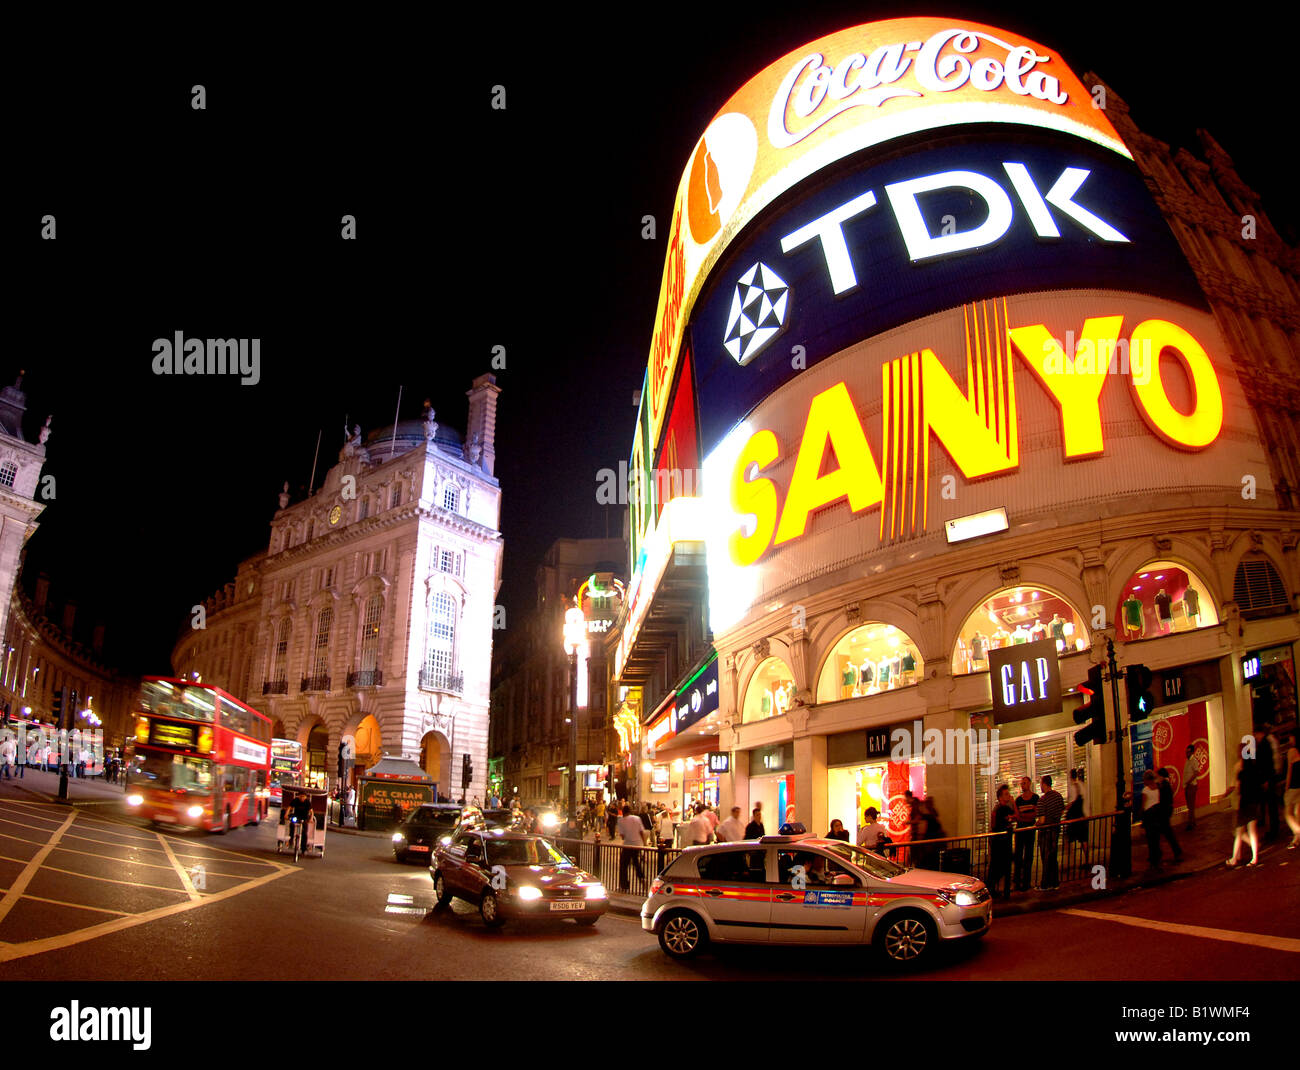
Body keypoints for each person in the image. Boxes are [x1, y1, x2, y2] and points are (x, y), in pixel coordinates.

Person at [1225, 751, 1263, 867]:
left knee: (1239, 832)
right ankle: (1254, 858)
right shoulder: (1256, 772)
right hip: (1254, 803)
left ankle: (1234, 859)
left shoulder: (1241, 773)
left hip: (1244, 804)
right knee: (1252, 831)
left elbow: (1238, 789)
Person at [1035, 774, 1065, 889]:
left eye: (1041, 783)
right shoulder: (1058, 796)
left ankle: (1045, 883)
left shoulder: (1042, 800)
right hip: (1055, 829)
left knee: (1046, 858)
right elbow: (1062, 810)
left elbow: (1042, 820)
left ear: (1044, 784)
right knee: (1053, 856)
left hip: (1046, 831)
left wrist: (1037, 823)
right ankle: (1055, 882)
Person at [987, 785, 1015, 900]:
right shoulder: (1002, 809)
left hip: (999, 842)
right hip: (1001, 843)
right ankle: (996, 890)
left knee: (998, 867)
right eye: (1006, 794)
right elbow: (1015, 816)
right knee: (1001, 867)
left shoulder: (999, 809)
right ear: (1000, 797)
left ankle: (993, 889)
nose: (1008, 796)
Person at [1012, 777, 1039, 891]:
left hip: (1029, 830)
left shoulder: (1035, 798)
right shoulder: (1018, 800)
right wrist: (1025, 817)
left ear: (1029, 784)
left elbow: (1035, 813)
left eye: (1025, 783)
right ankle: (1017, 880)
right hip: (1021, 830)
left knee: (1028, 855)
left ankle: (1026, 881)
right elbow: (1017, 815)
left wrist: (1024, 817)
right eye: (1021, 784)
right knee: (1018, 855)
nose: (1023, 785)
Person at [617, 805, 648, 891]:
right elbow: (642, 832)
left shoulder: (621, 821)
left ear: (623, 812)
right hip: (637, 844)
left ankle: (624, 885)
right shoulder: (637, 818)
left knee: (623, 864)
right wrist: (644, 843)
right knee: (636, 863)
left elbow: (622, 836)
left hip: (628, 844)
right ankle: (642, 879)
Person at [1155, 768, 1183, 862]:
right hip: (1165, 811)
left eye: (1158, 776)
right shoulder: (1164, 785)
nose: (1157, 778)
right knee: (1166, 833)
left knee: (1168, 834)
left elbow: (1164, 800)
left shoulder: (1165, 785)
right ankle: (1158, 854)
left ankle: (1176, 852)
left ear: (1162, 776)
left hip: (1164, 812)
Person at [1139, 770, 1165, 871]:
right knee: (1156, 838)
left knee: (1151, 839)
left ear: (1147, 779)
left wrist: (1141, 815)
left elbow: (1143, 804)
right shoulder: (1157, 788)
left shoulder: (1145, 790)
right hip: (1157, 814)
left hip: (1149, 815)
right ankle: (1158, 859)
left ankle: (1153, 860)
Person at [1064, 768, 1088, 853]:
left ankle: (1070, 857)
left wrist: (1064, 808)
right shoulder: (1082, 785)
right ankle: (1087, 859)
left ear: (1070, 776)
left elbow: (1071, 802)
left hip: (1074, 816)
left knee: (1069, 837)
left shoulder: (1072, 787)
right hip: (1083, 815)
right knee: (1083, 838)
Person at [1283, 735, 1300, 850]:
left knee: (1288, 813)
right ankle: (1296, 839)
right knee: (1297, 813)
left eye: (1291, 737)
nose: (1289, 740)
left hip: (1294, 785)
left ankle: (1298, 833)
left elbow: (1289, 771)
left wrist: (1286, 787)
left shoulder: (1292, 751)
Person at [1182, 745, 1200, 830]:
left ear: (1192, 752)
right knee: (1190, 805)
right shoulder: (1187, 761)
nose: (1187, 753)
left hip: (1191, 785)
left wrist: (1189, 782)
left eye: (1188, 752)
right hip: (1187, 785)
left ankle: (1190, 823)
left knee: (1191, 806)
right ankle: (1193, 822)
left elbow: (1196, 773)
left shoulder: (1194, 761)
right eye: (1186, 752)